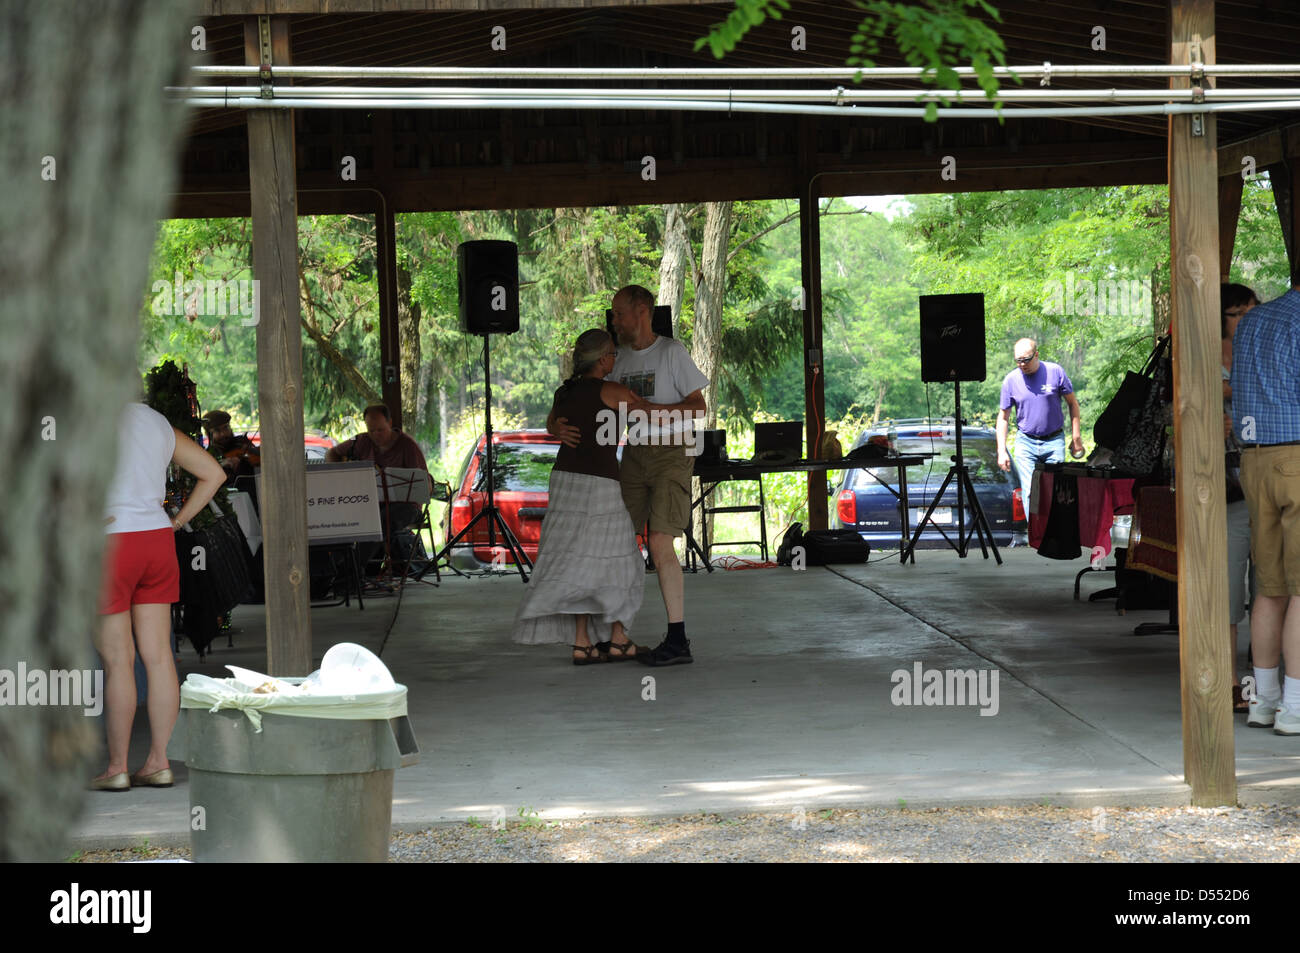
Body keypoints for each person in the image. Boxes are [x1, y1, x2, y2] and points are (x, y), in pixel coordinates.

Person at [555, 285, 708, 667]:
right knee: (619, 542)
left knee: (659, 541)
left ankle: (678, 640)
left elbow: (698, 406)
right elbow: (577, 397)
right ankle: (616, 638)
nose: (614, 320)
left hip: (673, 452)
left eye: (619, 313)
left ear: (642, 311)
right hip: (633, 454)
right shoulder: (615, 358)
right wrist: (556, 426)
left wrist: (654, 411)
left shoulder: (671, 352)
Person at [93, 402, 225, 790]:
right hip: (156, 539)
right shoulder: (156, 422)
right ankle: (159, 762)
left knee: (119, 661)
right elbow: (213, 473)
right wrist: (178, 521)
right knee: (159, 656)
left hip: (109, 541)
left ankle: (117, 767)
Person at [515, 329, 652, 663]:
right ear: (603, 358)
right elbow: (650, 414)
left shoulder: (565, 390)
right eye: (613, 356)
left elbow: (551, 424)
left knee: (579, 560)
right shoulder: (612, 390)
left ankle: (582, 643)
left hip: (564, 479)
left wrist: (556, 429)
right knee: (623, 560)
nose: (614, 361)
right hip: (599, 482)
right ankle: (618, 639)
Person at [1230, 270, 1300, 735]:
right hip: (1298, 453)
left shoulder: (1254, 320)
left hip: (1253, 461)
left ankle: (1264, 700)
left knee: (1269, 586)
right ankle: (1295, 707)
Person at [327, 404, 430, 569]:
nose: (376, 435)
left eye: (380, 430)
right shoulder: (360, 440)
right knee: (340, 519)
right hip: (370, 504)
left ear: (390, 423)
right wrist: (339, 475)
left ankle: (351, 572)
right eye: (371, 430)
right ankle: (342, 570)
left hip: (406, 507)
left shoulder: (408, 445)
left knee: (379, 521)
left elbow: (425, 485)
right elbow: (332, 453)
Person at [1222, 283, 1259, 713]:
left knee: (1271, 584)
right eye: (1237, 312)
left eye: (1253, 309)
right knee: (1229, 588)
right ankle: (1229, 679)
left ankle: (1268, 677)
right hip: (1224, 486)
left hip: (1264, 479)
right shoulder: (1200, 359)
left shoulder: (1262, 352)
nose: (1247, 318)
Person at [996, 338, 1084, 516]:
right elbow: (1003, 417)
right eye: (1018, 360)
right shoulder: (1011, 380)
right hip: (1026, 442)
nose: (1022, 365)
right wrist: (1001, 450)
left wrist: (1076, 437)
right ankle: (1036, 536)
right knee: (1030, 491)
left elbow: (1073, 404)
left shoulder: (1055, 372)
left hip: (1053, 440)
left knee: (1055, 490)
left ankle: (1054, 535)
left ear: (1036, 355)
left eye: (1026, 360)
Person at [201, 409, 259, 488]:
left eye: (226, 428)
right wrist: (220, 465)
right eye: (217, 430)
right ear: (208, 434)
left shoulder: (242, 442)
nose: (223, 434)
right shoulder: (208, 455)